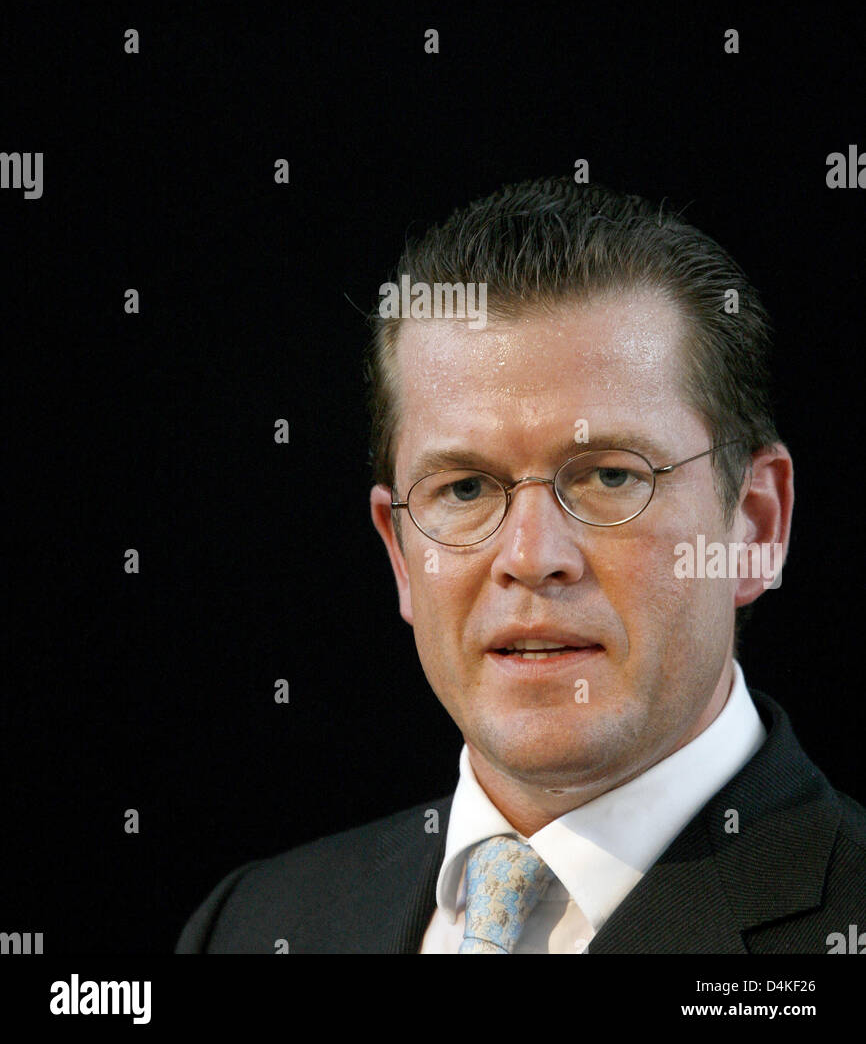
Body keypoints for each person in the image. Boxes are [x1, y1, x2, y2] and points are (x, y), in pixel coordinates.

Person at [175, 176, 866, 954]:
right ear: (400, 552)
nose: (533, 558)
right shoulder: (253, 926)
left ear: (756, 527)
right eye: (464, 489)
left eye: (611, 477)